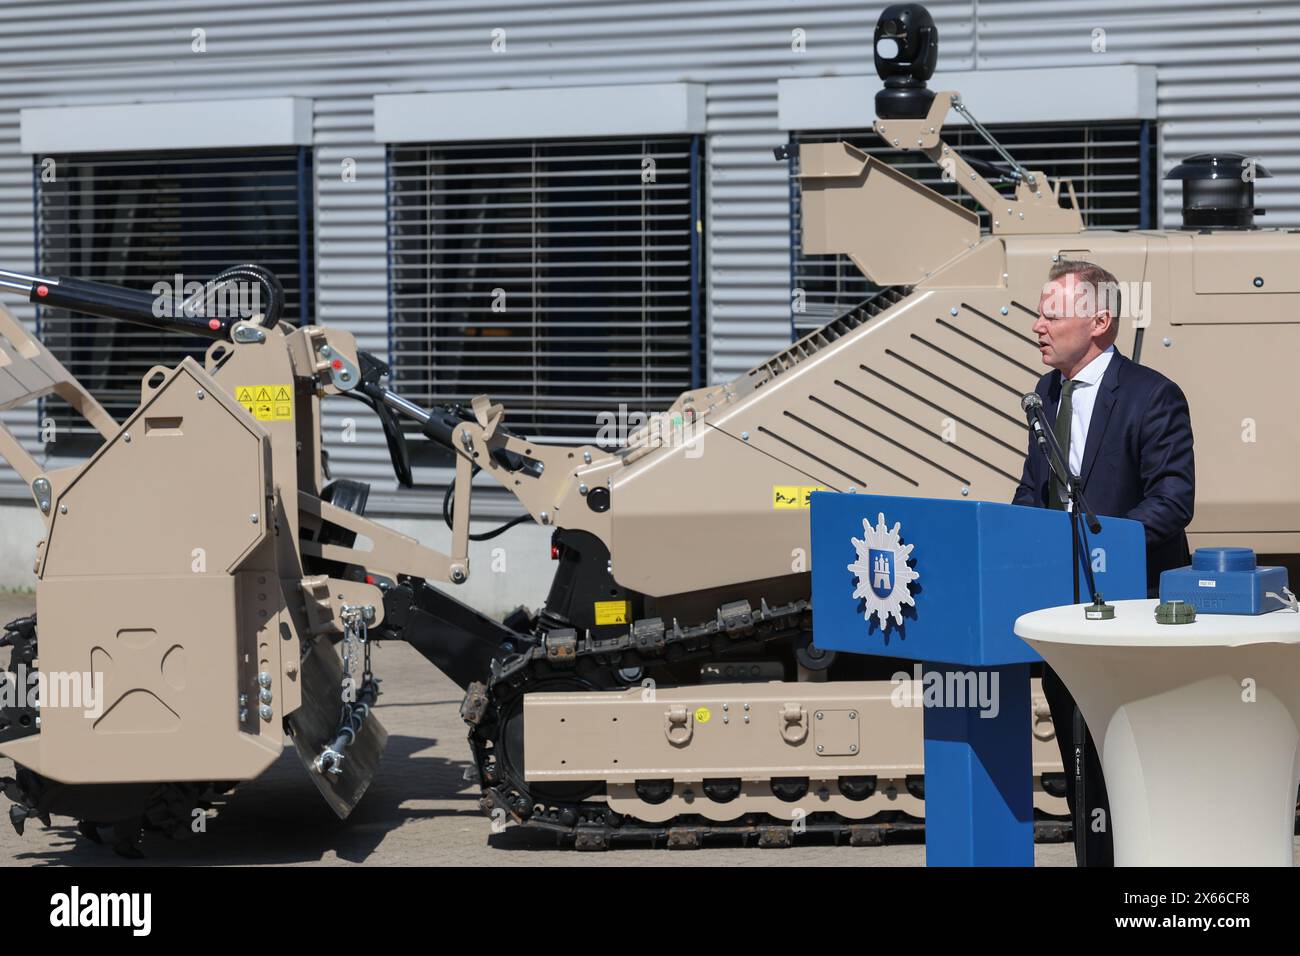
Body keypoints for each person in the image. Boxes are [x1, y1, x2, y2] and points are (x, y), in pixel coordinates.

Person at [1013, 259, 1195, 866]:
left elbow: (1172, 502)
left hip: (1135, 616)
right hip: (1066, 621)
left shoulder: (1154, 395)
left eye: (1050, 313)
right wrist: (1012, 544)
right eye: (1038, 311)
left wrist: (1099, 546)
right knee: (1084, 779)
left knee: (1139, 775)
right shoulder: (1046, 395)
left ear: (1099, 321)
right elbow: (1033, 493)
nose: (1037, 325)